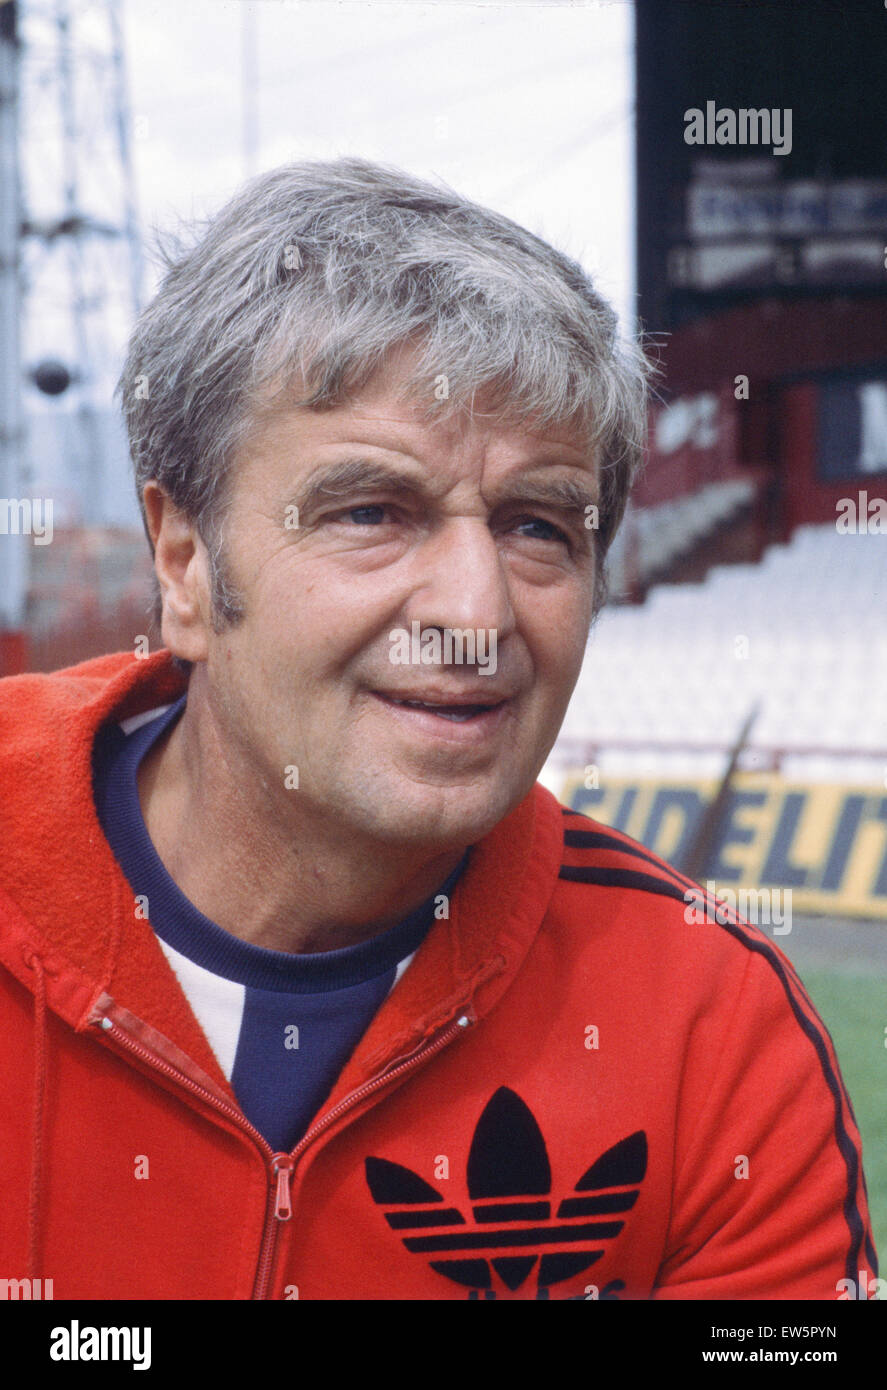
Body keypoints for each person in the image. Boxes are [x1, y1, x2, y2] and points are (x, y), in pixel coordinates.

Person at [0, 158, 876, 1301]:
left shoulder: (712, 1024)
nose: (476, 614)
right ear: (183, 564)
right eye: (372, 511)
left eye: (537, 526)